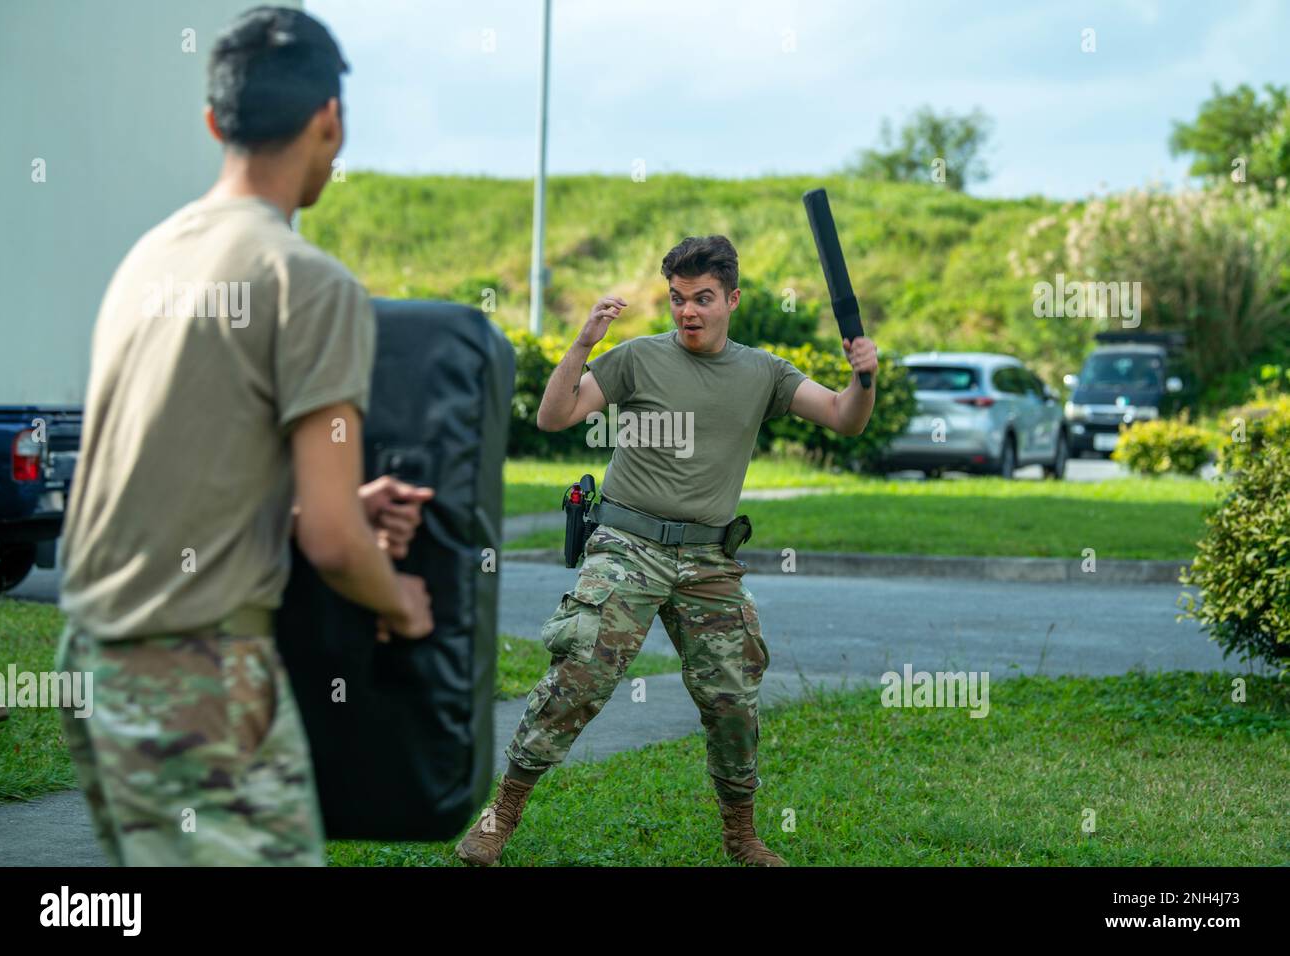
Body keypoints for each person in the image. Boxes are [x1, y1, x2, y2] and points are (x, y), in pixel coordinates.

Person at [54, 6, 433, 866]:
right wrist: (401, 603)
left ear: (215, 121)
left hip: (90, 655)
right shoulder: (307, 280)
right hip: (192, 673)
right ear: (329, 120)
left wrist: (326, 503)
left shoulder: (148, 257)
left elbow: (189, 465)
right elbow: (337, 542)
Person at [456, 234, 878, 866]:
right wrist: (582, 345)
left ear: (731, 298)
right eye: (679, 299)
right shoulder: (638, 359)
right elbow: (555, 416)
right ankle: (500, 815)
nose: (689, 312)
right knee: (579, 678)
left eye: (704, 299)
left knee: (732, 699)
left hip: (709, 557)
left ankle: (742, 838)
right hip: (628, 543)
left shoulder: (763, 372)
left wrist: (863, 376)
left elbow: (846, 418)